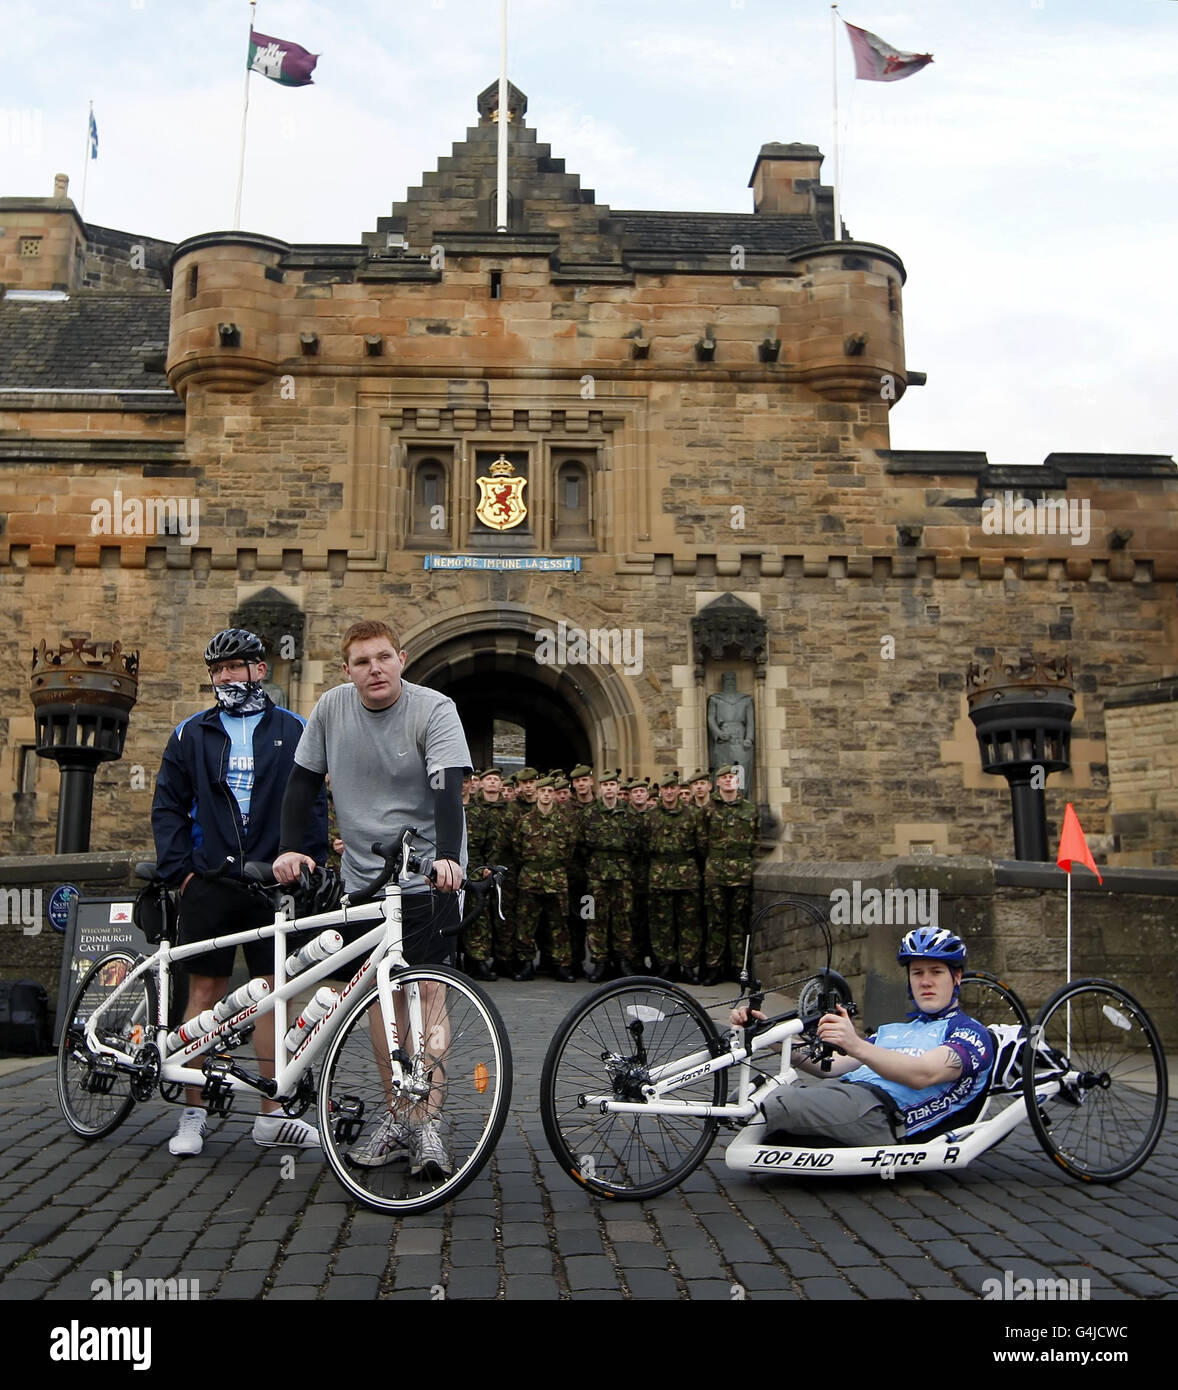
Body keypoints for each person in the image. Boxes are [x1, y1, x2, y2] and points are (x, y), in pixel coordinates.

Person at [273, 619, 472, 1177]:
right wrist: (291, 849)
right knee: (378, 1004)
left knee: (425, 997)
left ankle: (427, 1124)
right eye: (362, 662)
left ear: (402, 659)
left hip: (426, 873)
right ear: (347, 670)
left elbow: (447, 789)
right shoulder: (333, 709)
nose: (374, 669)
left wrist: (448, 859)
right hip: (363, 876)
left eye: (383, 658)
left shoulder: (434, 710)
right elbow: (303, 784)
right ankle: (398, 1116)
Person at [151, 628, 329, 1157]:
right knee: (203, 996)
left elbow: (312, 802)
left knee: (274, 997)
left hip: (273, 885)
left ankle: (271, 1115)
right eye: (217, 669)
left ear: (260, 669)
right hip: (210, 884)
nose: (226, 676)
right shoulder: (191, 733)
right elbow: (168, 805)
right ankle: (193, 1111)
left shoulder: (295, 729)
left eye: (236, 666)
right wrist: (181, 873)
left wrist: (308, 859)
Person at [730, 928, 993, 1145]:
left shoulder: (969, 1033)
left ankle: (758, 1111)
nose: (925, 981)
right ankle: (750, 1110)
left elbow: (924, 1073)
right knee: (748, 1092)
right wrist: (770, 1034)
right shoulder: (893, 1031)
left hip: (881, 1112)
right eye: (917, 973)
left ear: (956, 977)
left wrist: (855, 1044)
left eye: (935, 972)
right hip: (841, 1096)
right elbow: (830, 1066)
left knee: (778, 1100)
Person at [512, 776, 581, 981]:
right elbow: (517, 850)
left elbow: (570, 850)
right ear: (537, 794)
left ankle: (561, 965)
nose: (546, 794)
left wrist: (554, 866)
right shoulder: (524, 822)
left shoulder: (565, 821)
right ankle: (525, 963)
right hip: (530, 877)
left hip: (556, 878)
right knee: (526, 924)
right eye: (543, 791)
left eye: (550, 791)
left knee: (559, 924)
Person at [702, 763, 759, 984]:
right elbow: (701, 840)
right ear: (717, 782)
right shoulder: (709, 810)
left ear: (737, 781)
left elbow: (756, 840)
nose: (728, 780)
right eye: (723, 777)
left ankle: (738, 967)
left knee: (739, 923)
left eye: (732, 777)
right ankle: (714, 967)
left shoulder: (749, 809)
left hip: (741, 874)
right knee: (715, 921)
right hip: (715, 873)